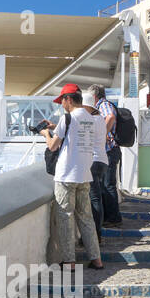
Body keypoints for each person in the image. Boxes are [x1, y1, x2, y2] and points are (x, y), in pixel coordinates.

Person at [37, 83, 104, 270]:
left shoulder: (67, 118)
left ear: (68, 99)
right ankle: (96, 259)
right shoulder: (91, 118)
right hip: (84, 173)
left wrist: (45, 133)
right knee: (86, 218)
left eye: (62, 101)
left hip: (66, 175)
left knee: (66, 218)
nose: (61, 105)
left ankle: (69, 261)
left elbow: (53, 146)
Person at [87, 85, 123, 227]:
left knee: (108, 185)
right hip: (109, 151)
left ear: (94, 96)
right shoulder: (102, 106)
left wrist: (102, 134)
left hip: (109, 150)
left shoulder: (103, 105)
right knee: (105, 185)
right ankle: (110, 216)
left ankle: (114, 218)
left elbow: (111, 116)